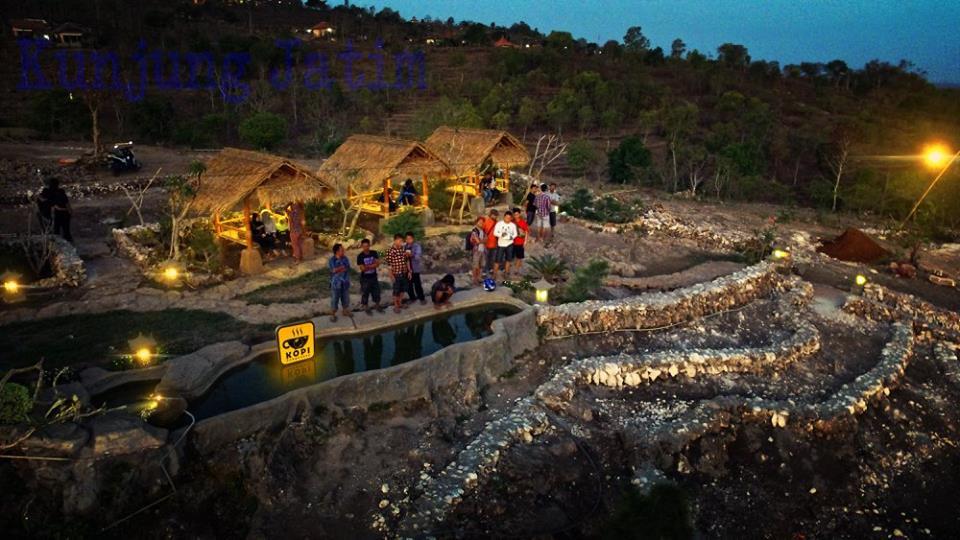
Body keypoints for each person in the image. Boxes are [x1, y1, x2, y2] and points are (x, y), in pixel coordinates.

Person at [38, 177, 72, 242]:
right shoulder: (60, 191)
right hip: (63, 213)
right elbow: (67, 204)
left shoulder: (48, 192)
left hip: (58, 214)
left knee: (57, 232)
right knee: (65, 232)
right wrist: (70, 212)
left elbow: (41, 200)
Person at [356, 238, 384, 314]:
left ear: (369, 245)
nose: (366, 248)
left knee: (376, 291)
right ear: (362, 246)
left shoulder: (374, 253)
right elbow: (362, 269)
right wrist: (372, 265)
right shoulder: (360, 256)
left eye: (367, 246)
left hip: (374, 276)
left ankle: (377, 305)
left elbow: (377, 264)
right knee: (365, 292)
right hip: (365, 278)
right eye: (364, 246)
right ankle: (366, 306)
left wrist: (368, 266)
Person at [385, 234, 410, 313]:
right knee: (396, 291)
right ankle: (396, 305)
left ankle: (400, 303)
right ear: (395, 241)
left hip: (404, 272)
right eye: (400, 241)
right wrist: (391, 275)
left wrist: (409, 271)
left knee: (403, 289)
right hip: (396, 274)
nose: (401, 242)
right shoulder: (390, 251)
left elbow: (407, 260)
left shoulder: (403, 249)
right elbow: (389, 264)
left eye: (402, 241)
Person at [493, 210, 518, 283]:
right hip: (501, 244)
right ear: (504, 217)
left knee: (508, 259)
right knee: (497, 260)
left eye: (509, 218)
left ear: (511, 218)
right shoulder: (499, 224)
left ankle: (506, 273)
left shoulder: (513, 225)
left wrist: (511, 237)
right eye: (506, 217)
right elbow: (495, 233)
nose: (508, 219)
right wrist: (501, 235)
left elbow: (515, 234)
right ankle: (494, 274)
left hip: (510, 244)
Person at [328, 243, 351, 322]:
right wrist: (341, 268)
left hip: (345, 282)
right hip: (336, 283)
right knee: (335, 299)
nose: (343, 251)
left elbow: (347, 267)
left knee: (345, 298)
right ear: (337, 252)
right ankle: (333, 314)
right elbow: (333, 270)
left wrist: (338, 269)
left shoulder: (345, 258)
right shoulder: (332, 260)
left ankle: (345, 311)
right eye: (342, 250)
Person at [404, 231, 426, 305]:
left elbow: (418, 257)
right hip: (407, 269)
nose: (408, 240)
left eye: (410, 238)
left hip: (415, 268)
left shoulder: (417, 246)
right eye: (407, 239)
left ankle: (422, 298)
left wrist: (411, 255)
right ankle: (412, 298)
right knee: (409, 285)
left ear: (413, 239)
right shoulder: (404, 246)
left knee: (417, 285)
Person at [510, 206, 529, 279]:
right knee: (512, 256)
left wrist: (525, 242)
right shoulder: (511, 222)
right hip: (512, 242)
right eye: (515, 214)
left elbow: (526, 232)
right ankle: (513, 268)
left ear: (519, 214)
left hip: (520, 242)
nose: (516, 216)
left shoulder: (522, 222)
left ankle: (516, 270)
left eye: (517, 214)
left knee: (519, 257)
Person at [482, 208, 500, 281]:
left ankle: (490, 269)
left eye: (496, 215)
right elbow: (482, 231)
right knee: (485, 258)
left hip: (494, 244)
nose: (495, 216)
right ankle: (484, 271)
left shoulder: (497, 223)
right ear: (491, 215)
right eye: (493, 215)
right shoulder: (486, 221)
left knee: (492, 258)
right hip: (486, 244)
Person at [469, 216, 486, 285]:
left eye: (482, 222)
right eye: (480, 222)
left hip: (482, 250)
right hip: (476, 250)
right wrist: (482, 240)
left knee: (481, 265)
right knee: (475, 266)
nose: (481, 223)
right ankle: (474, 279)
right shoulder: (474, 231)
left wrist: (481, 240)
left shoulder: (483, 230)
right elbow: (478, 241)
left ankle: (479, 278)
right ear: (477, 222)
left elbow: (486, 240)